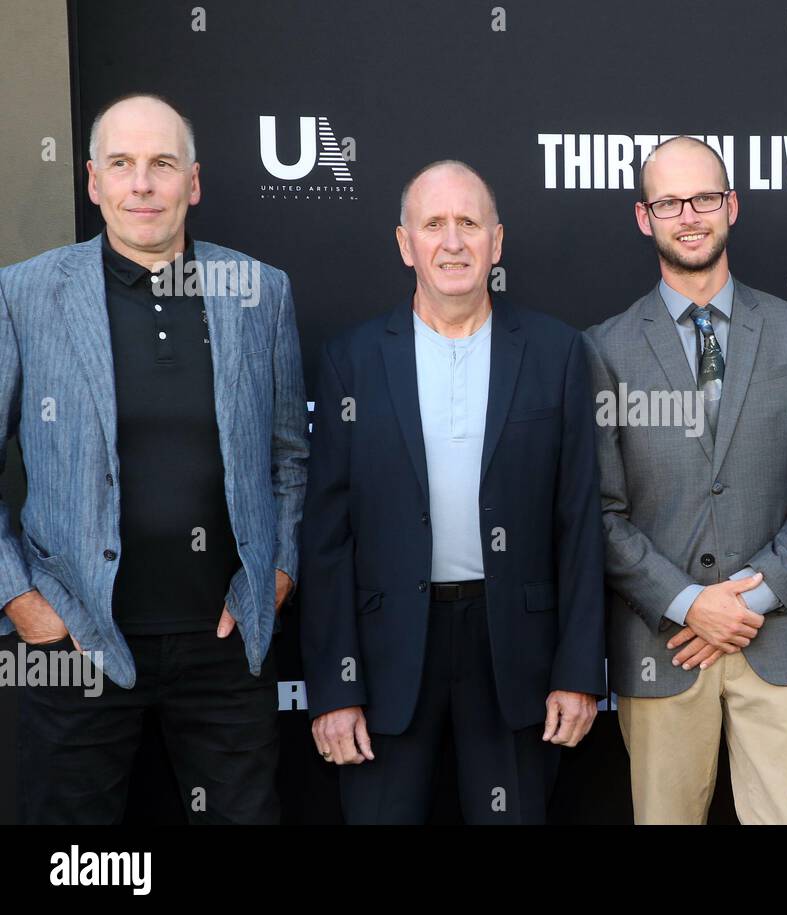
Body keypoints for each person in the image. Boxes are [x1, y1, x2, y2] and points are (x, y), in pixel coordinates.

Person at [0, 93, 307, 824]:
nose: (142, 183)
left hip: (226, 644)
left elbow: (290, 457)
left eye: (162, 164)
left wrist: (278, 573)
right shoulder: (26, 294)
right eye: (122, 164)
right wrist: (21, 601)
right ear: (93, 181)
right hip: (76, 636)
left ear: (192, 183)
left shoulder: (260, 292)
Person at [301, 160, 606, 824]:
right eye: (433, 224)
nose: (453, 241)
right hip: (387, 657)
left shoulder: (556, 353)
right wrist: (334, 684)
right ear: (405, 243)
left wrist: (579, 670)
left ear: (497, 240)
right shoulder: (350, 359)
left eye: (468, 223)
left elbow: (579, 521)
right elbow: (326, 537)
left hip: (515, 655)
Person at [585, 136, 787, 824]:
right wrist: (686, 602)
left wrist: (748, 598)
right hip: (662, 650)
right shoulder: (604, 349)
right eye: (669, 202)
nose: (690, 215)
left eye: (705, 197)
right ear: (645, 217)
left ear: (731, 205)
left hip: (784, 644)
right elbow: (602, 514)